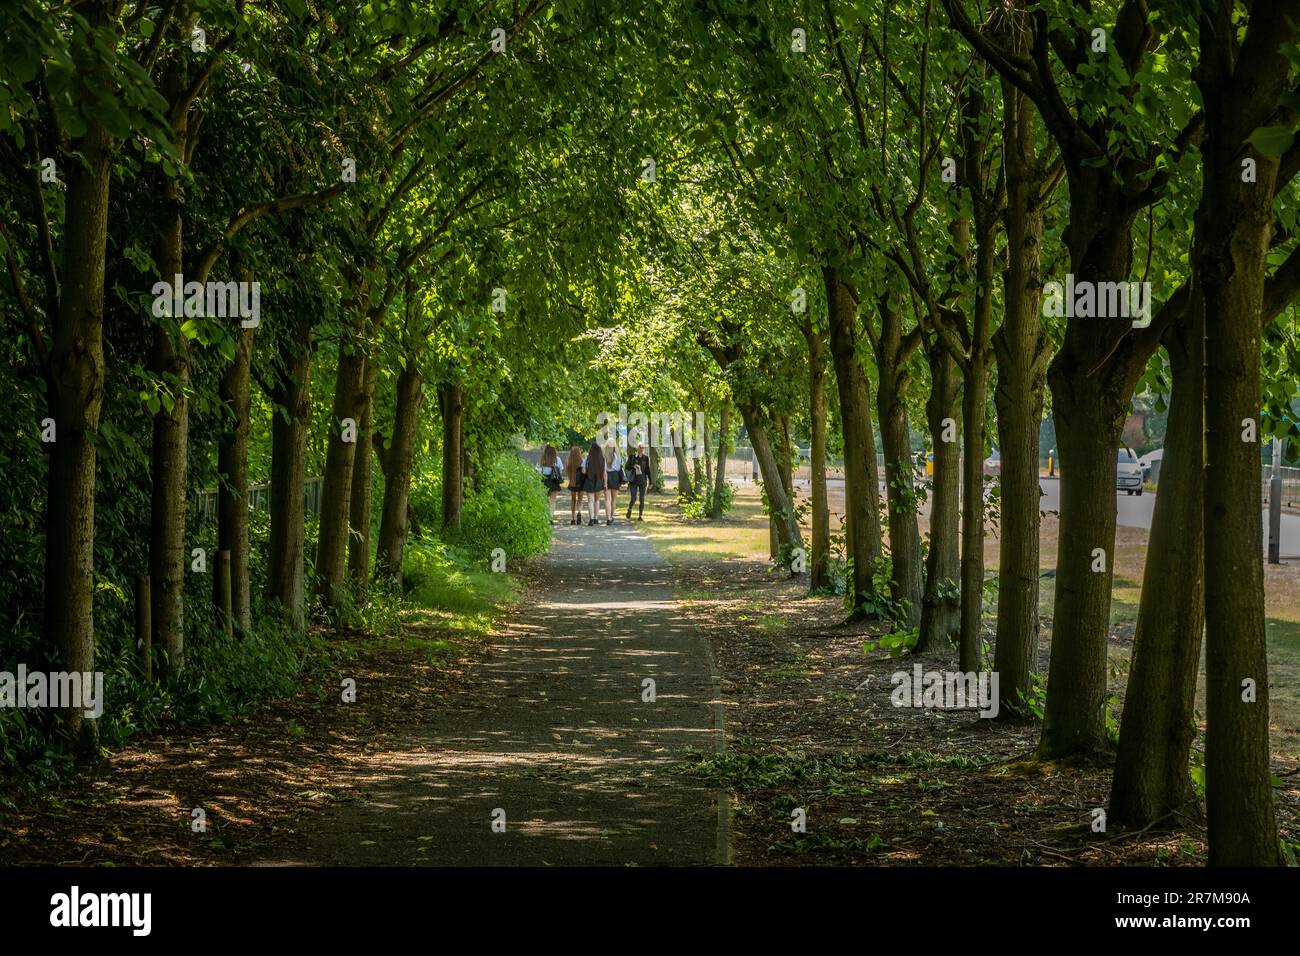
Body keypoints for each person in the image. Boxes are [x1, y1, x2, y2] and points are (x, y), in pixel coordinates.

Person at [625, 442, 651, 520]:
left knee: (642, 498)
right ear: (637, 448)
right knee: (634, 498)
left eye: (643, 447)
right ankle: (629, 509)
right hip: (634, 481)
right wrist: (633, 466)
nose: (641, 449)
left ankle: (640, 516)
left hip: (642, 481)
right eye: (640, 447)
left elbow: (647, 470)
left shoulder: (645, 458)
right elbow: (626, 467)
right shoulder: (632, 457)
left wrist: (651, 481)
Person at [582, 442, 606, 526]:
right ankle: (596, 518)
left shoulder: (587, 459)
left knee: (590, 501)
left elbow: (584, 471)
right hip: (599, 481)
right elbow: (604, 472)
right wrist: (605, 483)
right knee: (597, 500)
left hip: (590, 480)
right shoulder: (602, 459)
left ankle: (591, 519)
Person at [538, 444, 562, 522]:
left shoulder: (542, 459)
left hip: (544, 480)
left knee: (544, 500)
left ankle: (544, 517)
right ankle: (550, 517)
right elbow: (560, 471)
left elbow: (538, 471)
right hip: (554, 481)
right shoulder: (557, 459)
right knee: (553, 500)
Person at [604, 441, 623, 526]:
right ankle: (611, 517)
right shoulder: (618, 457)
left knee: (607, 500)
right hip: (615, 477)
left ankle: (608, 518)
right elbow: (620, 468)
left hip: (607, 476)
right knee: (613, 499)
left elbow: (604, 471)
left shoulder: (604, 457)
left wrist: (605, 483)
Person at [564, 446, 585, 525]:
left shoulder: (569, 462)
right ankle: (579, 512)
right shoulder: (582, 461)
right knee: (580, 500)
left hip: (572, 483)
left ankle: (572, 518)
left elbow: (567, 473)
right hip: (581, 483)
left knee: (573, 501)